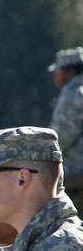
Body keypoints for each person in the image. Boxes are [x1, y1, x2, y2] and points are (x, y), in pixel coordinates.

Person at [49, 46, 83, 178]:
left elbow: (58, 140)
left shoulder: (70, 94)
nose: (55, 76)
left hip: (73, 171)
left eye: (57, 71)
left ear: (69, 72)